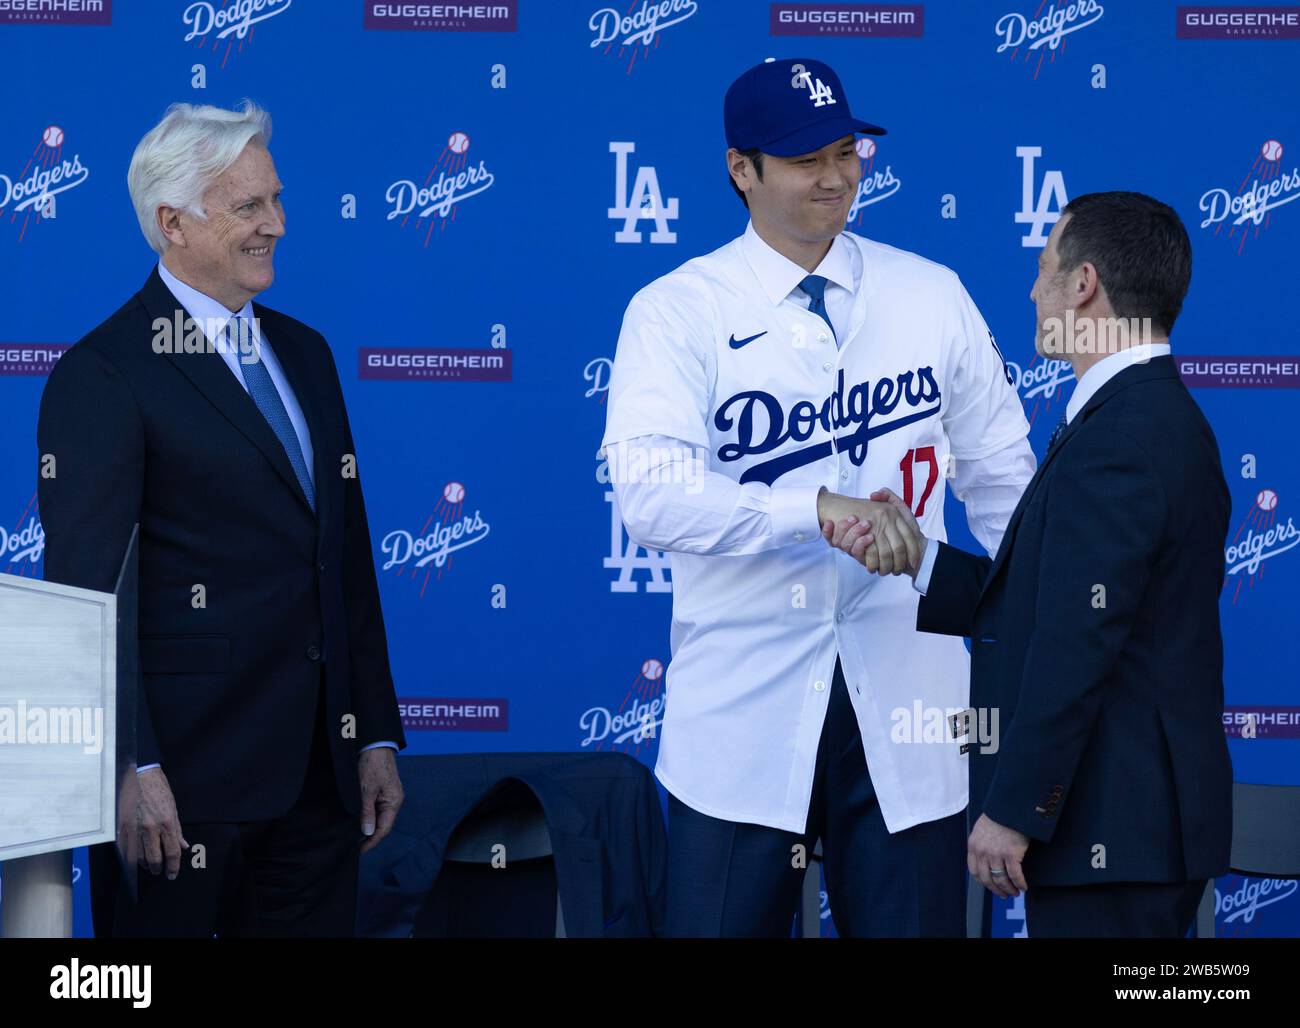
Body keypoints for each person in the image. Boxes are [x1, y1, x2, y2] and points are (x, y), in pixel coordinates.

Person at [601, 57, 1036, 937]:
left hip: (913, 702)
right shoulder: (675, 309)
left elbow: (1004, 484)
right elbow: (650, 497)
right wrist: (817, 510)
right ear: (742, 170)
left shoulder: (930, 292)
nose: (835, 178)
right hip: (742, 713)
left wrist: (1040, 630)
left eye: (847, 151)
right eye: (806, 159)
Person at [37, 101, 406, 937]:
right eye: (249, 207)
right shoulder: (103, 374)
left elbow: (341, 559)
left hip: (320, 778)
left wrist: (374, 733)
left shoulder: (305, 352)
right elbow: (86, 599)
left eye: (275, 200)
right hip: (181, 791)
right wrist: (132, 763)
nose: (276, 224)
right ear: (173, 223)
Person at [828, 192, 1233, 938]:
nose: (1031, 289)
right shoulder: (1145, 418)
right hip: (1127, 835)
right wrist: (920, 562)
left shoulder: (1122, 438)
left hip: (1115, 834)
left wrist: (1014, 812)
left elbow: (1075, 646)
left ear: (1082, 285)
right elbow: (1055, 607)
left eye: (1043, 267)